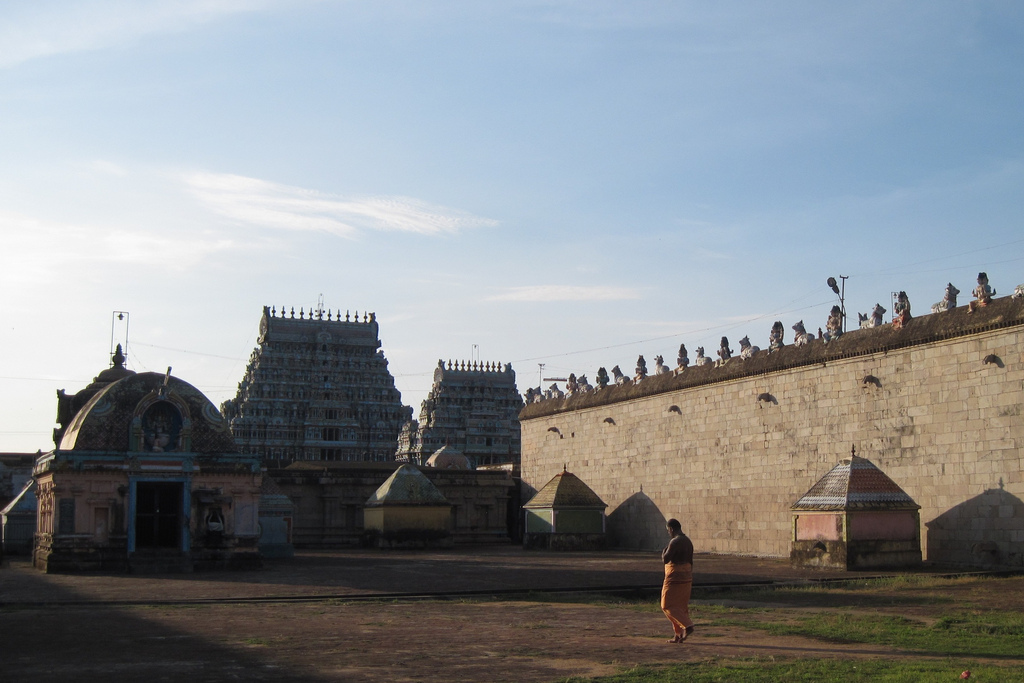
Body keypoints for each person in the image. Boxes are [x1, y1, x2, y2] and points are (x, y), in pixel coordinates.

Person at [661, 518, 695, 643]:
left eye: (668, 530)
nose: (668, 533)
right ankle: (678, 634)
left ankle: (687, 625)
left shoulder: (675, 542)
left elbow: (665, 559)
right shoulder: (688, 541)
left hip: (674, 574)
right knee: (680, 606)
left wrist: (664, 551)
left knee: (667, 605)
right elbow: (691, 560)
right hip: (687, 573)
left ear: (671, 529)